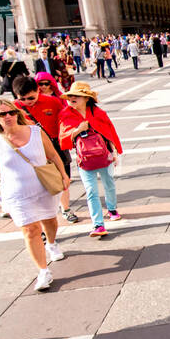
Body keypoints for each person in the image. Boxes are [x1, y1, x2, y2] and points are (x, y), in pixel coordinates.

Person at [0, 97, 69, 292]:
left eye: (11, 112)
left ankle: (52, 244)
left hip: (44, 187)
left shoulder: (36, 132)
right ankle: (43, 271)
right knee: (30, 230)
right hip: (16, 193)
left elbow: (53, 155)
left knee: (50, 221)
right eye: (3, 114)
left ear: (17, 113)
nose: (8, 116)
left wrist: (63, 175)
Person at [59, 81, 123, 237]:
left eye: (77, 96)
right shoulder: (66, 114)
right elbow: (63, 140)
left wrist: (114, 152)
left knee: (109, 184)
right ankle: (98, 225)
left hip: (104, 155)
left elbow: (109, 132)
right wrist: (77, 130)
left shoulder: (98, 113)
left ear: (87, 98)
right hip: (85, 159)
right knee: (91, 191)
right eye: (70, 96)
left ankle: (112, 208)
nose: (72, 98)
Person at [14, 75, 79, 222]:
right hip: (31, 149)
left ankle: (66, 209)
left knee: (63, 178)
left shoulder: (53, 102)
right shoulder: (14, 108)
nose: (26, 102)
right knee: (36, 185)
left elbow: (65, 120)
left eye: (30, 98)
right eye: (22, 99)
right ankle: (40, 216)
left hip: (55, 145)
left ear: (38, 90)